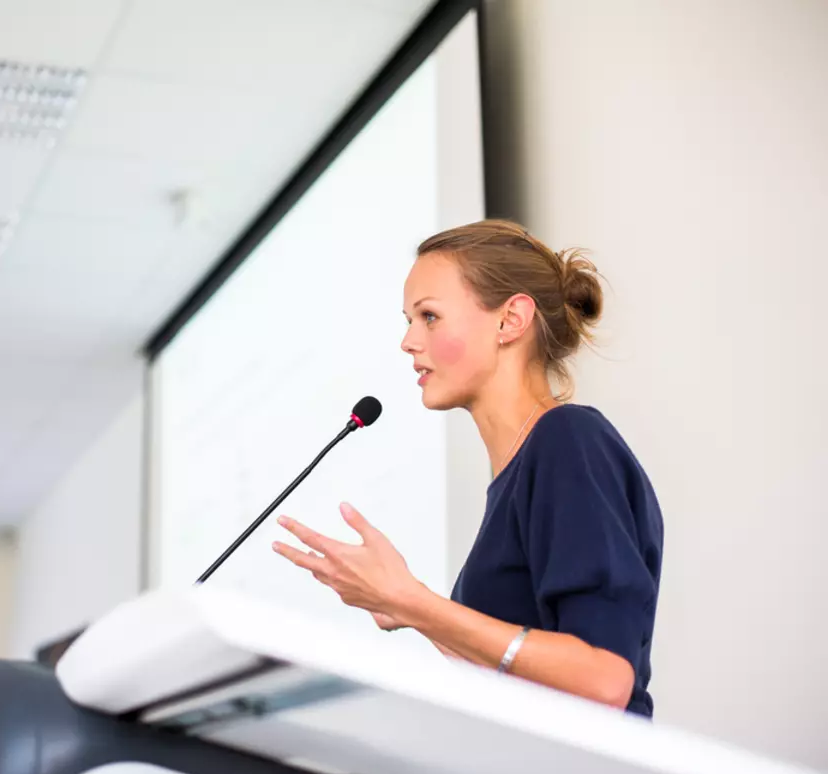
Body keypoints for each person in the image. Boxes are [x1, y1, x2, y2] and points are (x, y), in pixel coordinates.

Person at [272, 220, 663, 717]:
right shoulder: (521, 470)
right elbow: (517, 687)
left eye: (429, 316)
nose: (408, 341)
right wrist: (406, 609)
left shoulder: (568, 441)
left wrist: (413, 601)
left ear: (510, 320)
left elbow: (604, 679)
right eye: (409, 320)